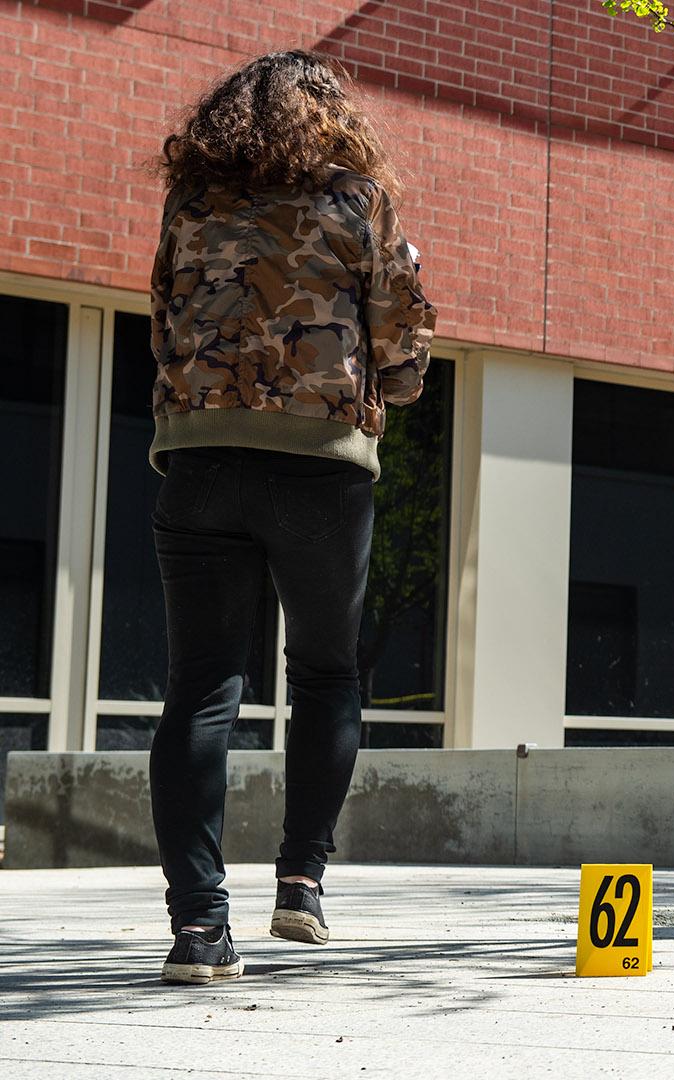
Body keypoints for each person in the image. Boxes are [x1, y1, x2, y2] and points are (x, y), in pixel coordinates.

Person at [145, 50, 435, 984]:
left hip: (199, 456)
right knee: (325, 672)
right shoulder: (354, 199)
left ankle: (197, 929)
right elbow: (401, 331)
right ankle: (302, 879)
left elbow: (162, 318)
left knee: (201, 690)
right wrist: (391, 381)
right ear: (331, 118)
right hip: (318, 465)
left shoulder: (191, 200)